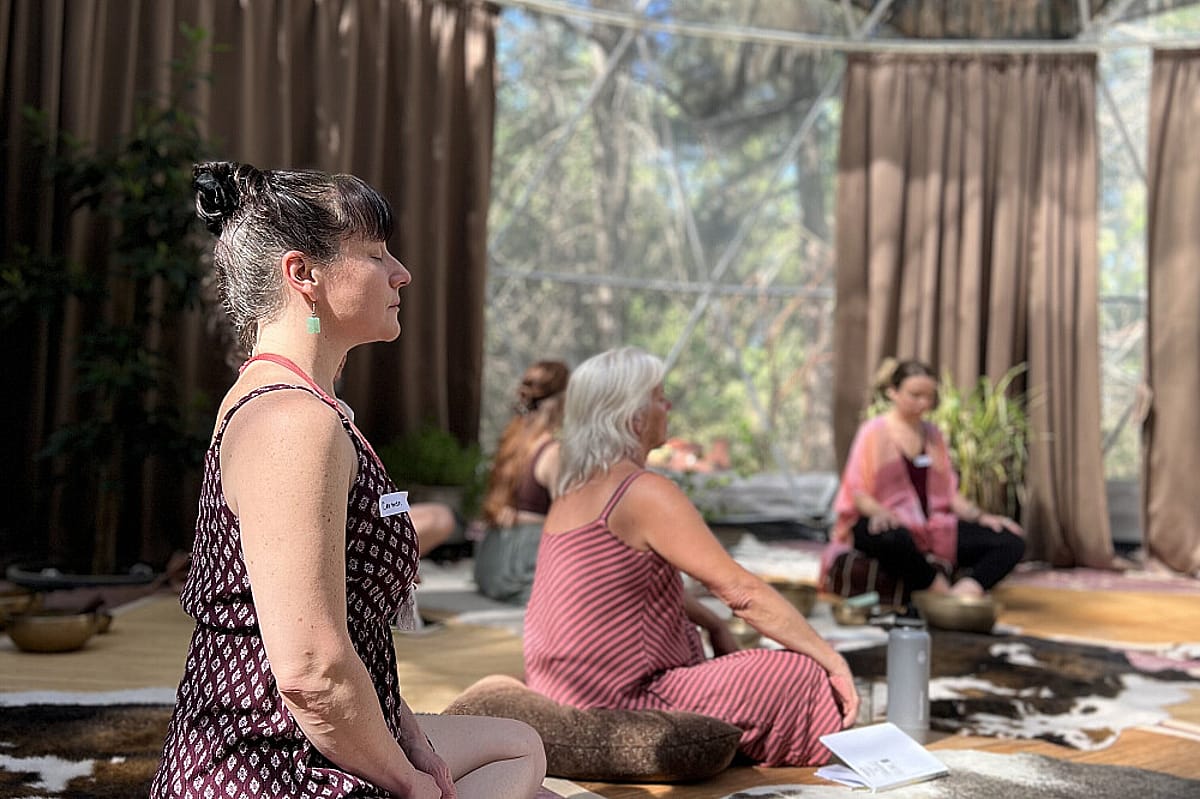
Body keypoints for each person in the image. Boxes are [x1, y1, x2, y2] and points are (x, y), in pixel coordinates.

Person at [151, 161, 545, 799]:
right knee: (517, 768)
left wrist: (408, 732)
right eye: (375, 253)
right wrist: (410, 784)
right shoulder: (293, 423)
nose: (402, 273)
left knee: (521, 750)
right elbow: (310, 671)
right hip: (272, 762)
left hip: (294, 734)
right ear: (302, 273)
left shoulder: (292, 404)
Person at [522, 346, 857, 767]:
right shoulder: (642, 492)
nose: (669, 406)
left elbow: (614, 591)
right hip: (620, 701)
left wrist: (712, 621)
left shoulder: (573, 491)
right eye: (659, 397)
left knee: (754, 664)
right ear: (634, 417)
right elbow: (741, 592)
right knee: (799, 675)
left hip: (562, 688)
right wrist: (830, 658)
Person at [828, 358, 1026, 599]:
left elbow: (949, 493)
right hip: (884, 522)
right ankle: (938, 591)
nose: (924, 403)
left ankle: (965, 593)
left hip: (932, 526)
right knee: (892, 538)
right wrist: (881, 513)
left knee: (1011, 540)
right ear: (893, 392)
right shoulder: (873, 431)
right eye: (915, 395)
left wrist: (983, 518)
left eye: (929, 396)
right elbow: (857, 491)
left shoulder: (933, 435)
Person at [472, 361, 569, 604]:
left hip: (489, 566)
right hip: (522, 570)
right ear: (561, 401)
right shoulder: (552, 452)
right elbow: (567, 519)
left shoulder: (511, 443)